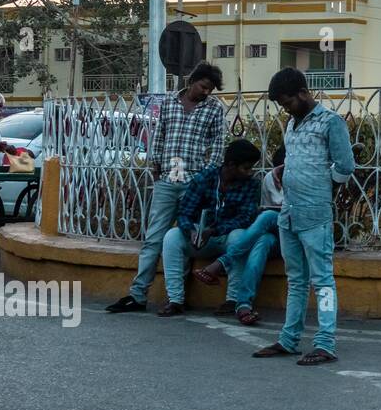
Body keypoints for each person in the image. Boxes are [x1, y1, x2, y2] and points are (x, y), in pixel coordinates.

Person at [253, 68, 354, 366]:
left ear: (302, 93)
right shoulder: (292, 123)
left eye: (287, 102)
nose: (285, 108)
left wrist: (326, 187)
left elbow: (345, 166)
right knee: (296, 279)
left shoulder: (331, 122)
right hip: (290, 213)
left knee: (322, 280)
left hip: (315, 212)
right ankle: (289, 338)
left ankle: (326, 342)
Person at [106, 63, 226, 313]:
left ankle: (176, 298)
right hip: (168, 180)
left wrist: (208, 171)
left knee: (184, 237)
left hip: (195, 180)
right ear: (193, 80)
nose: (206, 92)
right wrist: (155, 164)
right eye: (203, 86)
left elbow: (218, 142)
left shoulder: (214, 108)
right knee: (153, 239)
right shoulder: (171, 102)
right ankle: (138, 295)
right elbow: (159, 135)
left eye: (210, 90)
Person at [155, 139, 261, 317]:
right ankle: (175, 300)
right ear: (231, 165)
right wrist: (191, 231)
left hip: (226, 237)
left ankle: (232, 300)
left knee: (241, 237)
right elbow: (184, 212)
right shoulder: (206, 177)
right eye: (246, 168)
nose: (250, 172)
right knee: (171, 237)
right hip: (200, 236)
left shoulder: (251, 184)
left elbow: (245, 218)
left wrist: (214, 230)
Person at [195, 146, 286, 325]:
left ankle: (221, 262)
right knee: (263, 241)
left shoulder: (308, 180)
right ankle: (243, 304)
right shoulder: (269, 179)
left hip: (295, 233)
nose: (281, 172)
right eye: (280, 168)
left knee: (267, 217)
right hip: (275, 234)